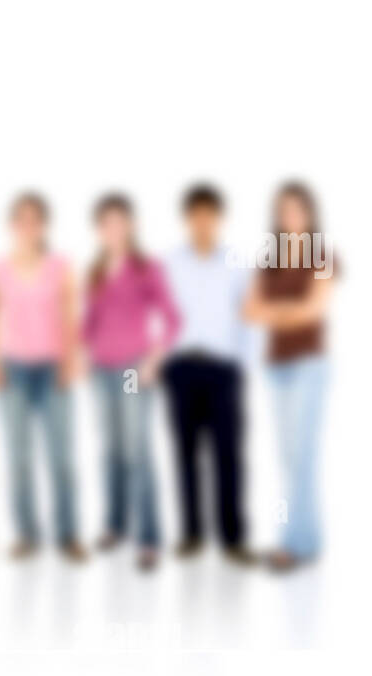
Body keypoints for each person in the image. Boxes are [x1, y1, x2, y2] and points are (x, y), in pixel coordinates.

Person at [0, 192, 85, 561]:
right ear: (14, 225)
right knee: (18, 457)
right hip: (13, 369)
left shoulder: (60, 266)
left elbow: (70, 316)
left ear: (43, 225)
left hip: (53, 368)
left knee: (61, 456)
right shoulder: (0, 268)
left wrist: (71, 361)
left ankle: (68, 534)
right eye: (21, 219)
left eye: (34, 219)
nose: (28, 226)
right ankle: (26, 533)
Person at [244, 182, 339, 571]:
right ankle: (310, 539)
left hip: (309, 365)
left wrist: (275, 310)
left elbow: (314, 310)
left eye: (297, 209)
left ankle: (291, 545)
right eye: (283, 210)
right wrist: (287, 309)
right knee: (290, 457)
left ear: (310, 214)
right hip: (277, 365)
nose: (290, 217)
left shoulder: (323, 255)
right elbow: (249, 310)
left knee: (302, 455)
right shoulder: (269, 256)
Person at [83, 194, 181, 570]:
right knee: (112, 451)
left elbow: (172, 319)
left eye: (120, 222)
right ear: (100, 230)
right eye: (106, 224)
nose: (113, 230)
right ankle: (115, 524)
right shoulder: (95, 271)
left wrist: (154, 359)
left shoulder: (146, 268)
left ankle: (150, 538)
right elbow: (89, 323)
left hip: (133, 370)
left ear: (131, 226)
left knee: (137, 452)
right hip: (102, 371)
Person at [162, 184, 255, 565]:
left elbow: (248, 318)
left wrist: (242, 366)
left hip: (223, 369)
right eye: (195, 214)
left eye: (209, 214)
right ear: (187, 219)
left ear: (219, 218)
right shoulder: (168, 263)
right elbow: (158, 315)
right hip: (181, 366)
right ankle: (191, 533)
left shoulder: (237, 262)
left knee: (229, 455)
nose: (202, 222)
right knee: (184, 454)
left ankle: (233, 538)